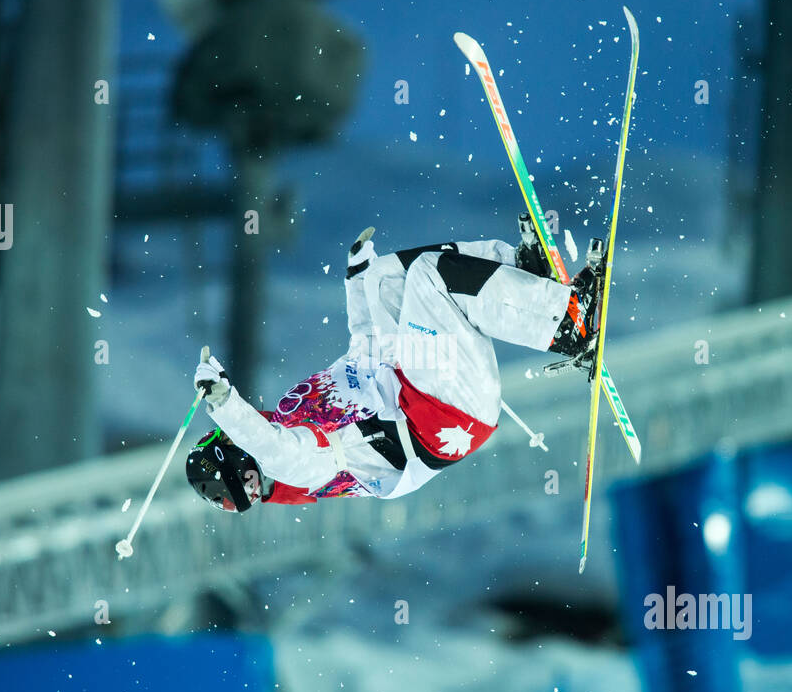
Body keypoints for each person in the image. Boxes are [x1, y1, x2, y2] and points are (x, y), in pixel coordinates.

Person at [185, 217, 601, 512]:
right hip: (444, 414)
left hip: (420, 387)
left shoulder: (294, 412)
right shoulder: (301, 468)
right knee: (429, 277)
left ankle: (522, 273)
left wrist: (358, 283)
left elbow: (364, 360)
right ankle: (567, 323)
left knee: (385, 277)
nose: (259, 487)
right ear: (233, 449)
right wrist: (225, 403)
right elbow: (275, 451)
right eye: (251, 490)